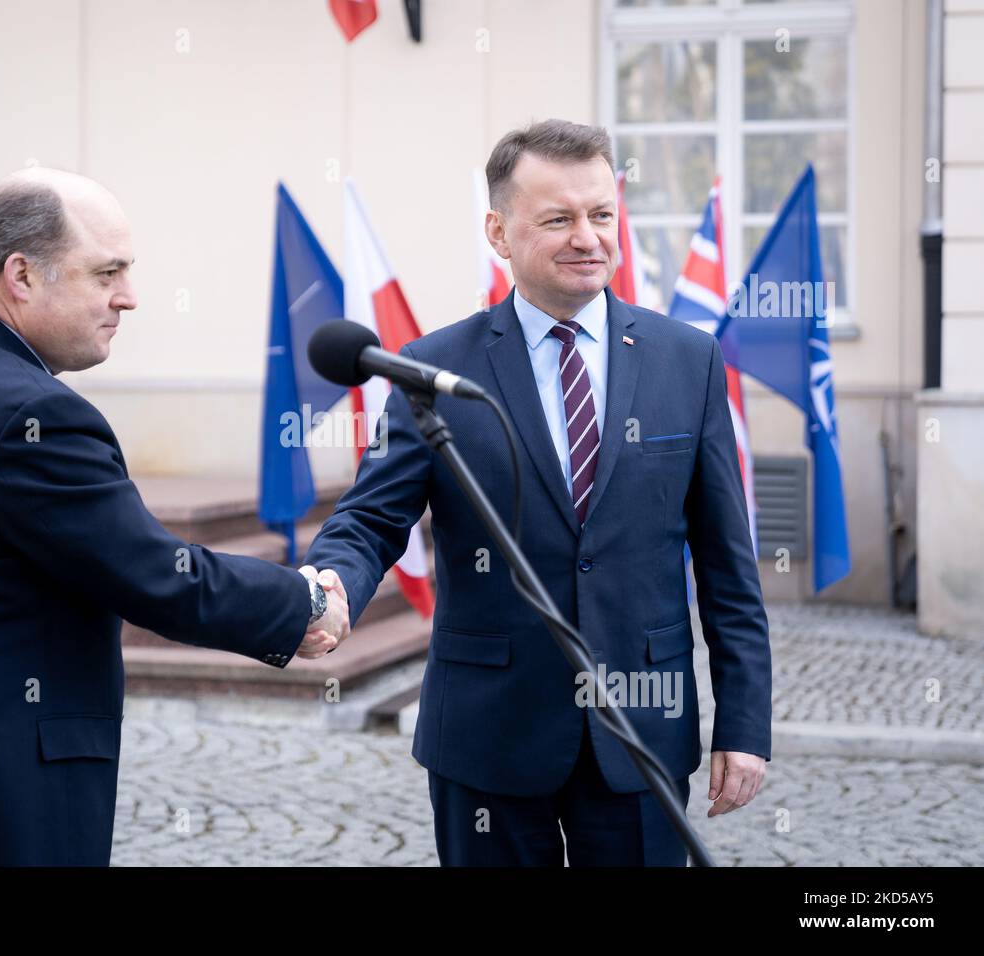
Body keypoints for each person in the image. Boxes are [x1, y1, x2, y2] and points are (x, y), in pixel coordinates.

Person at [0, 167, 350, 866]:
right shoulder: (31, 413)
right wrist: (300, 602)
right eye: (106, 273)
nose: (130, 297)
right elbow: (153, 573)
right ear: (21, 276)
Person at [303, 119, 771, 866]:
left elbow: (727, 565)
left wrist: (745, 725)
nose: (588, 237)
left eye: (602, 214)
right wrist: (330, 584)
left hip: (640, 735)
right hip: (489, 737)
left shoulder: (689, 361)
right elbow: (371, 518)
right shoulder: (433, 368)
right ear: (499, 231)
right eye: (558, 219)